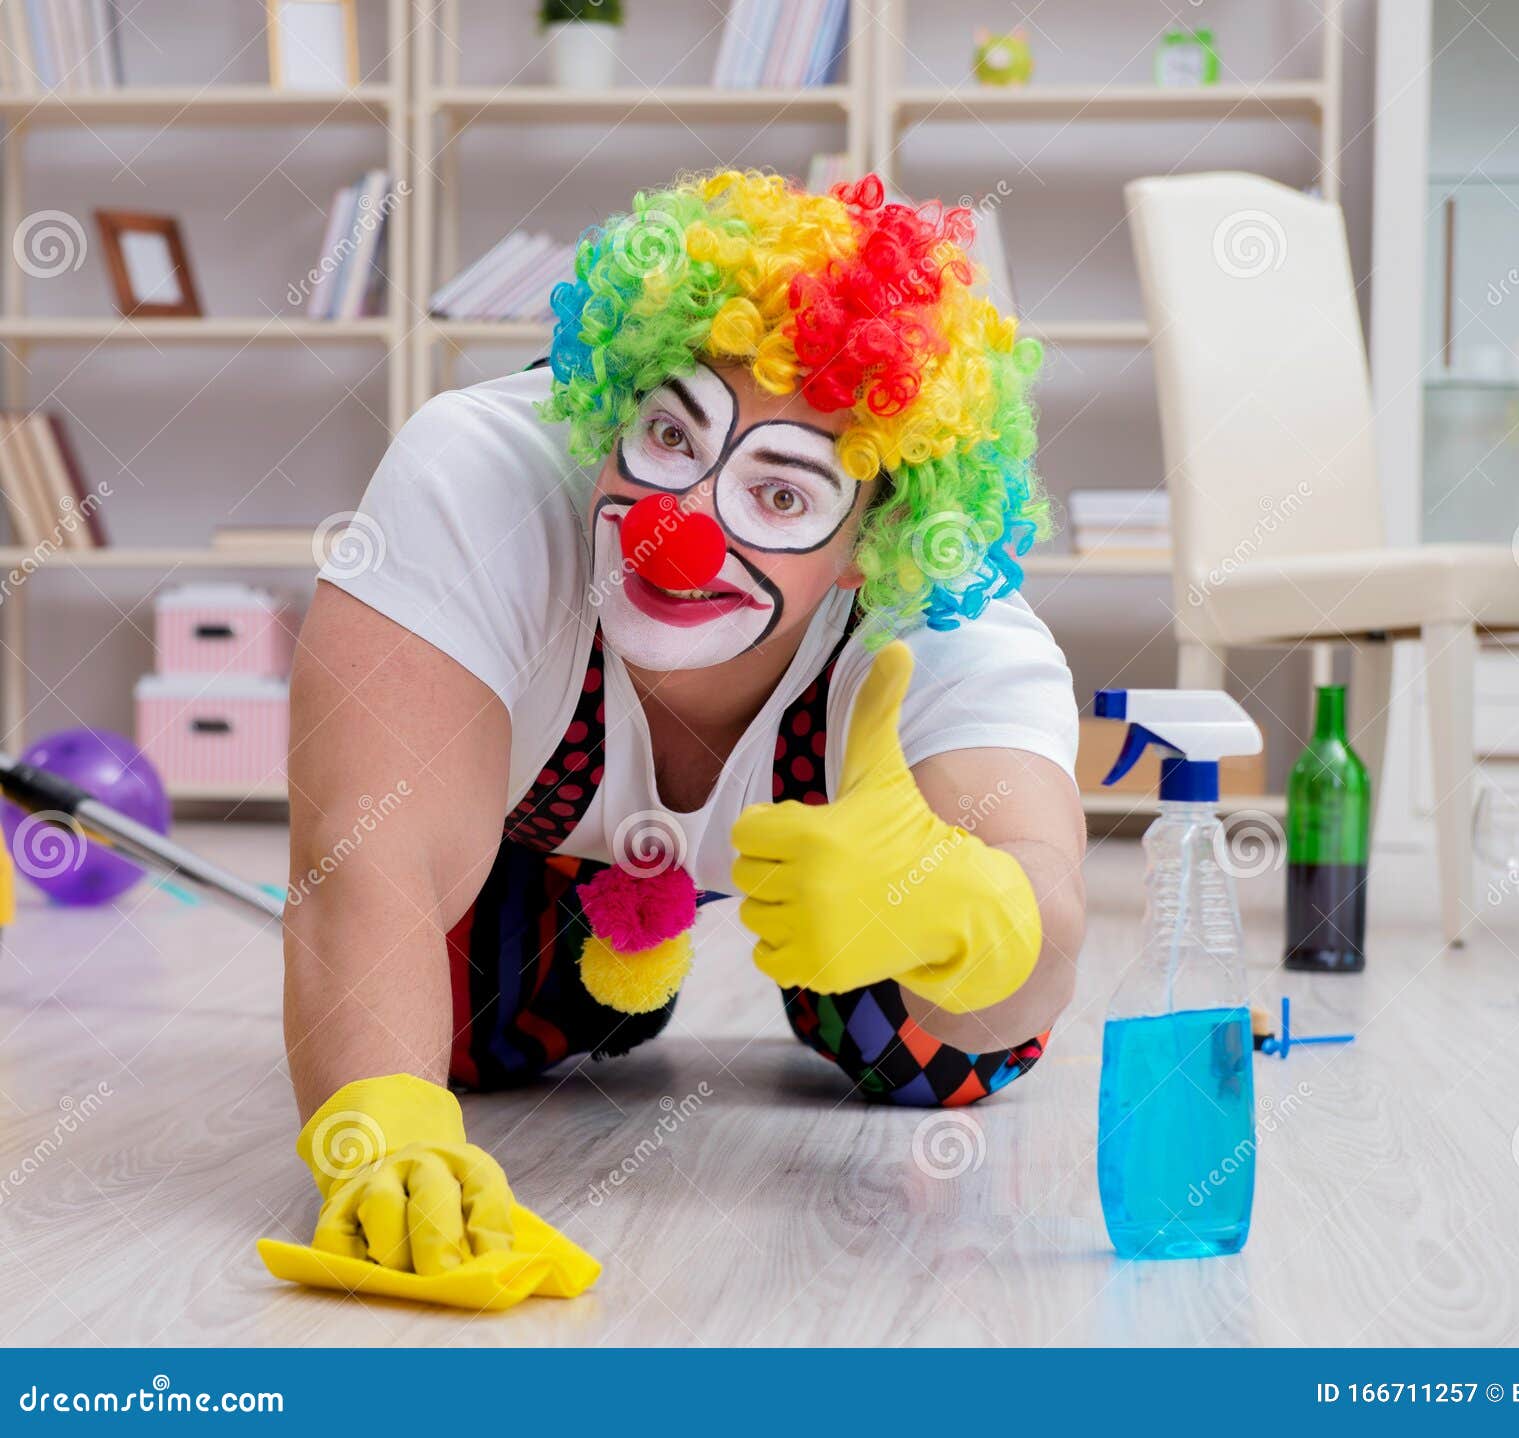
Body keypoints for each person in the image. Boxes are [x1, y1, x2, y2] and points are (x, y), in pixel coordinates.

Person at [272, 170, 1086, 1302]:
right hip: (536, 851)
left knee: (935, 1055)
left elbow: (1046, 931)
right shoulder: (479, 476)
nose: (676, 538)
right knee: (464, 1033)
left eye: (785, 496)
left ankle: (847, 953)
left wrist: (965, 907)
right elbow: (367, 862)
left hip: (845, 889)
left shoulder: (946, 621)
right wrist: (384, 1130)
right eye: (667, 433)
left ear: (871, 541)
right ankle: (603, 973)